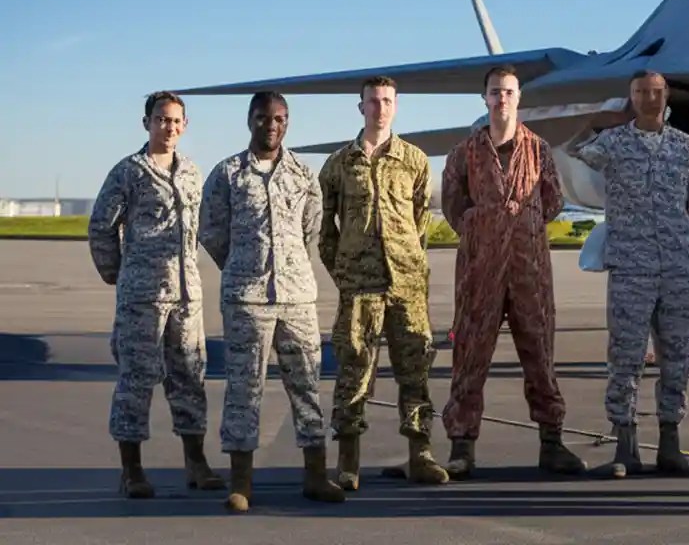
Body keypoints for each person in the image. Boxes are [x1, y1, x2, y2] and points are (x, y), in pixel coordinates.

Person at [199, 92, 345, 511]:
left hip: (296, 298)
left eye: (280, 119)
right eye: (264, 118)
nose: (272, 125)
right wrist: (245, 266)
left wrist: (287, 269)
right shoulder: (227, 174)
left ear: (288, 122)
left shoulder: (302, 174)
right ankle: (241, 482)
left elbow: (309, 230)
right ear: (250, 120)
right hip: (247, 300)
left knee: (307, 386)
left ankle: (316, 475)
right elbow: (211, 231)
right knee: (244, 389)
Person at [438, 65, 586, 478]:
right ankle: (462, 446)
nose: (501, 99)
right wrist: (482, 225)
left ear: (518, 98)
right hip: (479, 269)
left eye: (507, 92)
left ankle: (552, 442)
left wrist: (520, 228)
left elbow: (552, 200)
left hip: (529, 270)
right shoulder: (464, 152)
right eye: (494, 92)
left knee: (540, 353)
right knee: (469, 353)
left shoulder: (538, 150)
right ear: (484, 99)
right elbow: (453, 204)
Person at [566, 70, 689, 478]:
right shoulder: (613, 143)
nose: (649, 98)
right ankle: (625, 446)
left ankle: (670, 444)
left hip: (677, 268)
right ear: (631, 97)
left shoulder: (686, 147)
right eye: (641, 92)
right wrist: (599, 120)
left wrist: (672, 230)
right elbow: (575, 149)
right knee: (626, 356)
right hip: (631, 267)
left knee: (677, 357)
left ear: (666, 96)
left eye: (656, 92)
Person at [89, 91, 224, 498]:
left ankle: (196, 462)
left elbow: (205, 228)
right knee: (136, 381)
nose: (169, 127)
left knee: (190, 377)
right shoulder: (128, 172)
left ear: (185, 126)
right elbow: (101, 227)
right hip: (142, 298)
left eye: (175, 121)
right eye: (161, 120)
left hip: (186, 297)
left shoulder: (192, 173)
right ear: (146, 123)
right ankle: (131, 469)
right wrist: (120, 274)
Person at [318, 75, 448, 488]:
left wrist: (410, 264)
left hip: (406, 285)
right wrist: (344, 272)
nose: (381, 108)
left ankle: (420, 453)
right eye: (373, 101)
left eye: (387, 101)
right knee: (354, 369)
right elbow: (325, 231)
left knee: (415, 370)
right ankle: (348, 460)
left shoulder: (415, 160)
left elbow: (420, 223)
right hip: (359, 285)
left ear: (396, 106)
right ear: (361, 107)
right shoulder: (339, 164)